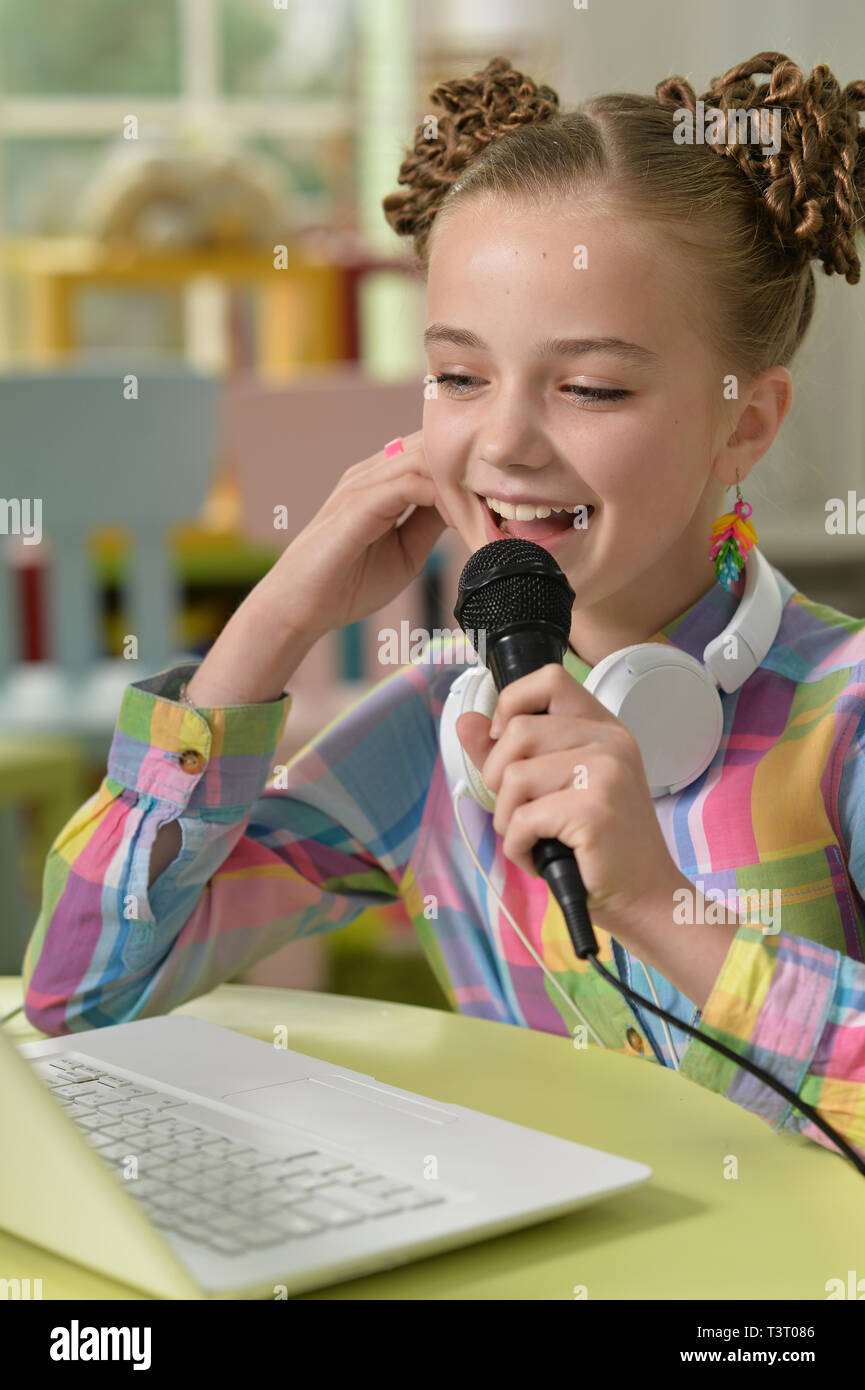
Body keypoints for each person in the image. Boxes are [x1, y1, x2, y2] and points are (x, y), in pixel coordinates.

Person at [21, 53, 865, 1166]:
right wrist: (272, 624)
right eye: (460, 378)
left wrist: (658, 907)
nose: (504, 442)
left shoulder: (841, 718)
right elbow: (82, 990)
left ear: (743, 424)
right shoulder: (435, 734)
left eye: (591, 387)